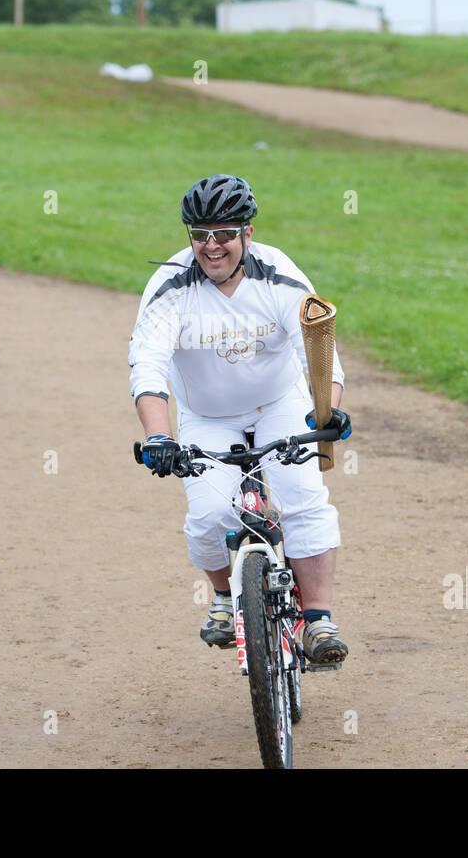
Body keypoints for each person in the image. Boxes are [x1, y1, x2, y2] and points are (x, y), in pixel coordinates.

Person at [128, 174, 351, 665]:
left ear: (247, 234)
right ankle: (228, 596)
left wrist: (326, 411)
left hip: (280, 404)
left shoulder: (278, 274)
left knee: (302, 498)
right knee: (210, 517)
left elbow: (319, 348)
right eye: (200, 234)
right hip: (207, 416)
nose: (212, 246)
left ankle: (317, 620)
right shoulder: (171, 286)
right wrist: (159, 436)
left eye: (224, 233)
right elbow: (147, 367)